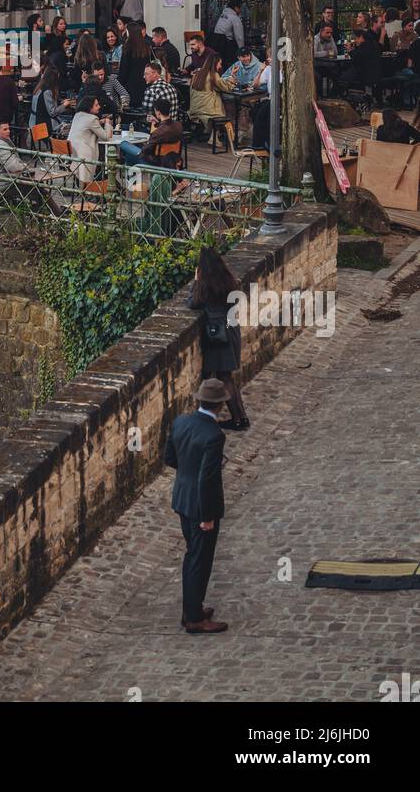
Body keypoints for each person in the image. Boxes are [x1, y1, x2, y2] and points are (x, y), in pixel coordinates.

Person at [164, 378, 230, 634]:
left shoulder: (181, 422)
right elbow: (207, 479)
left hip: (182, 497)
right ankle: (193, 617)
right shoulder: (214, 435)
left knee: (193, 554)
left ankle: (193, 607)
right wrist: (206, 516)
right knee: (199, 559)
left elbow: (170, 457)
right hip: (201, 507)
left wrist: (188, 473)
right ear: (220, 405)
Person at [192, 246, 249, 429]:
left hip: (218, 333)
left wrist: (195, 281)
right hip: (231, 329)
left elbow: (193, 303)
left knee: (225, 378)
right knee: (227, 377)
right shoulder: (228, 281)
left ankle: (238, 420)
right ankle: (241, 417)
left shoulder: (206, 285)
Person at [120, 96, 183, 168]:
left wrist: (142, 148)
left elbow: (146, 151)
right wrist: (157, 123)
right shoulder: (178, 125)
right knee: (134, 147)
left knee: (124, 145)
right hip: (172, 159)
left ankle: (129, 177)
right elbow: (167, 129)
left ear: (158, 112)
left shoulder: (158, 132)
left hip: (155, 162)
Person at [68, 93, 112, 186]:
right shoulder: (92, 119)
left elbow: (87, 125)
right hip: (84, 154)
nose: (99, 107)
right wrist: (108, 122)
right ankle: (95, 188)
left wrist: (100, 121)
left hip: (72, 151)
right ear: (89, 108)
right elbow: (106, 137)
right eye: (96, 105)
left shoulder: (78, 115)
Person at [188, 53, 232, 139]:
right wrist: (232, 77)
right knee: (218, 100)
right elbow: (226, 88)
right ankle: (215, 136)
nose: (220, 66)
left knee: (214, 96)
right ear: (215, 63)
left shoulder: (197, 74)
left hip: (194, 109)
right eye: (220, 63)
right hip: (207, 111)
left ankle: (213, 134)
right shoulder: (213, 75)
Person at [29, 65, 73, 138]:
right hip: (43, 125)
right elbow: (52, 112)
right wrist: (64, 105)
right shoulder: (47, 92)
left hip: (33, 122)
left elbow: (42, 104)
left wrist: (60, 102)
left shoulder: (38, 88)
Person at [118, 24, 150, 106]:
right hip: (144, 83)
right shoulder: (146, 47)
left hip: (130, 85)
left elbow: (123, 70)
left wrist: (119, 85)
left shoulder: (127, 47)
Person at [210, 0, 244, 67]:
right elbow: (239, 37)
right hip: (226, 45)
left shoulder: (223, 15)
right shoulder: (234, 18)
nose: (241, 10)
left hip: (216, 43)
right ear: (236, 8)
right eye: (240, 8)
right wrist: (242, 51)